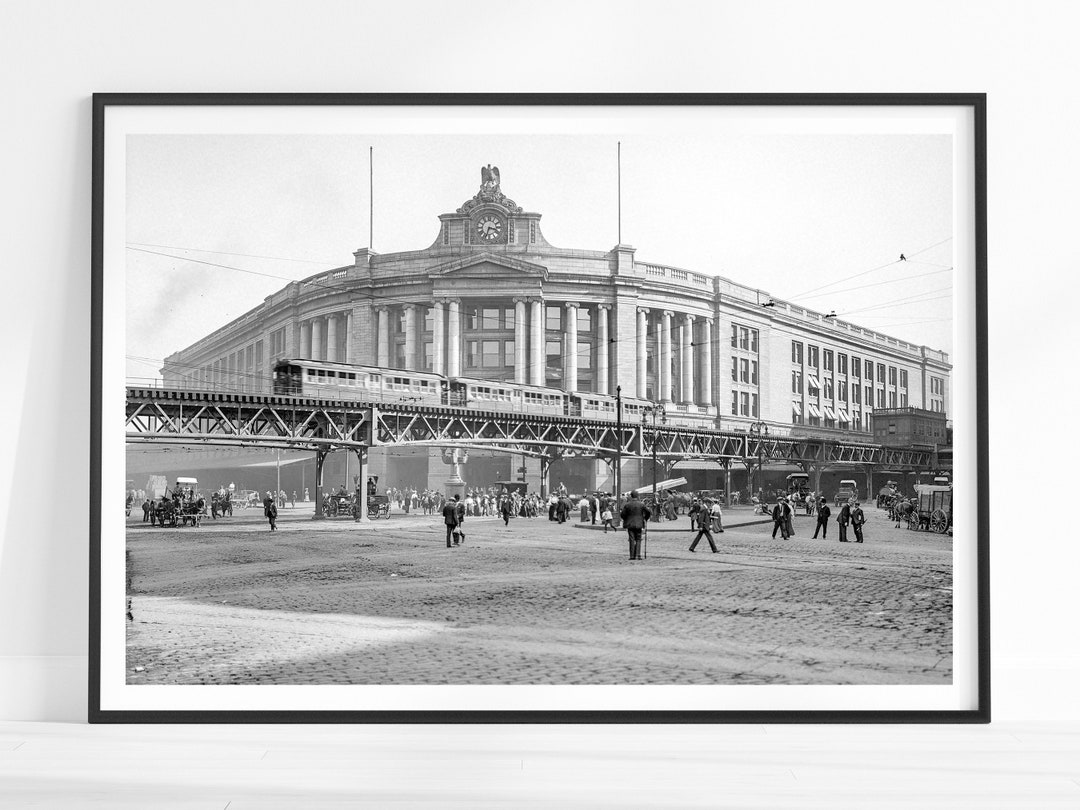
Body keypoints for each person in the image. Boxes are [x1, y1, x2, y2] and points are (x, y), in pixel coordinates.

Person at [619, 490, 652, 561]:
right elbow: (648, 512)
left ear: (631, 496)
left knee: (631, 539)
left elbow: (622, 514)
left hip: (630, 524)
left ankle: (632, 556)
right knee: (638, 539)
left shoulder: (627, 505)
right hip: (639, 524)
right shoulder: (641, 504)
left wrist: (626, 519)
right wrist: (645, 518)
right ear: (638, 496)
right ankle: (638, 555)